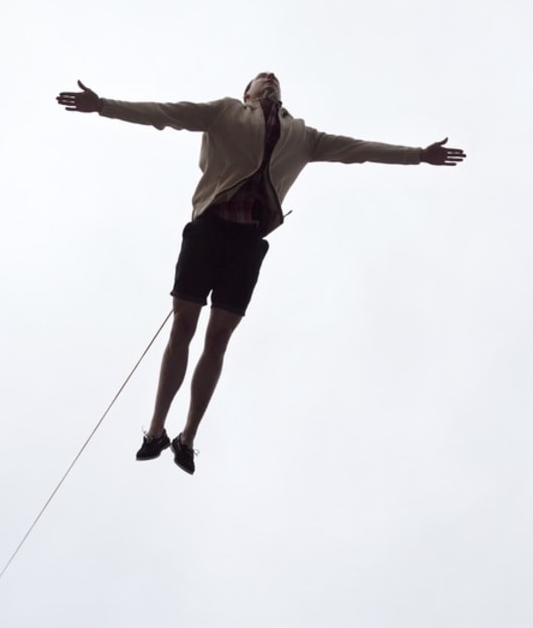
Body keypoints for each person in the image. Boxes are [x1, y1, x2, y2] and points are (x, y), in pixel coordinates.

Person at [56, 72, 465, 475]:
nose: (269, 80)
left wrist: (418, 155)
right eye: (260, 78)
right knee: (184, 324)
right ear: (247, 91)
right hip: (209, 227)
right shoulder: (225, 112)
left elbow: (357, 149)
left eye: (275, 80)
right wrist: (103, 106)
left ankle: (188, 438)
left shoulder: (303, 136)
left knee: (218, 339)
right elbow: (166, 113)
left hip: (248, 242)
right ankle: (158, 429)